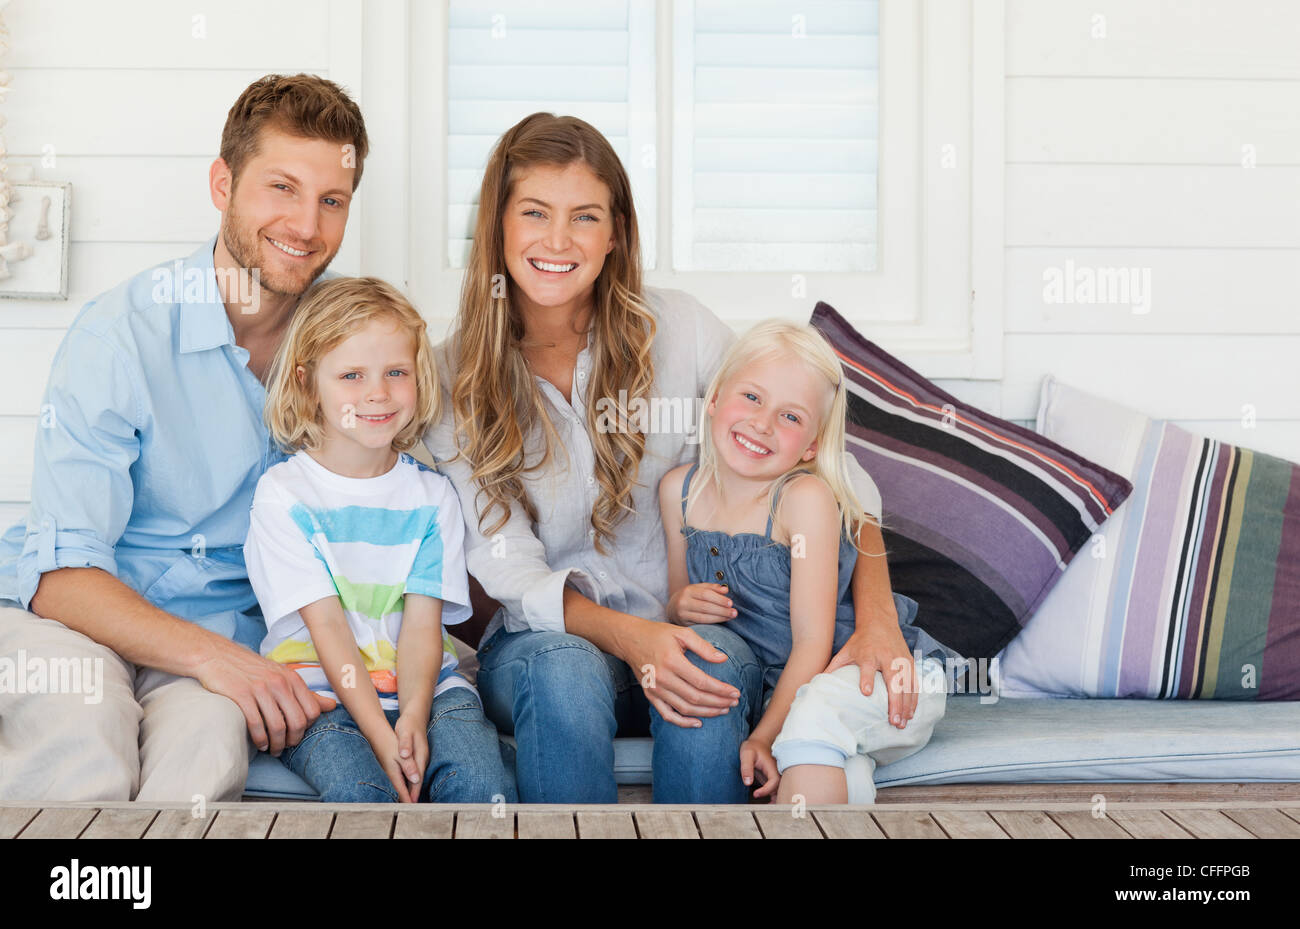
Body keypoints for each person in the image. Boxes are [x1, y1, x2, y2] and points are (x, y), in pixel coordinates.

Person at [424, 112, 929, 804]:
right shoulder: (452, 376)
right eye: (534, 212)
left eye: (586, 217)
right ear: (498, 226)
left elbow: (839, 484)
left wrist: (878, 621)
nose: (557, 239)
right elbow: (508, 565)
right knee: (563, 671)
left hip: (698, 637)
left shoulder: (682, 330)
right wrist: (634, 637)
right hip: (549, 649)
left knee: (710, 659)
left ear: (616, 235)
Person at [0, 74, 367, 802]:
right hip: (83, 619)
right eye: (281, 188)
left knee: (204, 751)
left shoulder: (356, 344)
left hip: (223, 646)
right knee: (82, 726)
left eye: (332, 200)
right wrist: (219, 657)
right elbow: (64, 575)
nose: (305, 224)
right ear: (222, 184)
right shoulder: (122, 334)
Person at [244, 277, 515, 803]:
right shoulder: (285, 495)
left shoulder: (432, 496)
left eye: (396, 372)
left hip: (430, 690)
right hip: (322, 695)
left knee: (479, 785)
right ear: (306, 382)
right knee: (363, 795)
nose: (377, 393)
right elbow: (328, 632)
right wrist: (380, 733)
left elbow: (421, 626)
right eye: (351, 375)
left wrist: (412, 718)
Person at [661, 320, 954, 804]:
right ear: (713, 399)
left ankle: (802, 744)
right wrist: (681, 606)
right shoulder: (679, 492)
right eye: (751, 397)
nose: (762, 423)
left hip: (875, 682)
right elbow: (673, 603)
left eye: (791, 417)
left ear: (813, 447)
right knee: (827, 764)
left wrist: (762, 736)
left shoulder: (805, 498)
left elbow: (813, 644)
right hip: (810, 703)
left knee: (811, 717)